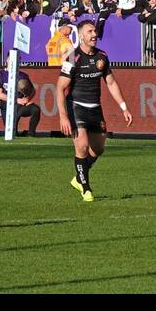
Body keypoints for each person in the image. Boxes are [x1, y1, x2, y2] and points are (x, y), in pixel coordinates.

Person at [55, 20, 132, 202]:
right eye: (90, 32)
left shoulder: (102, 57)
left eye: (95, 31)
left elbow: (111, 83)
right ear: (81, 36)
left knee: (97, 149)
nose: (94, 35)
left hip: (95, 109)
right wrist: (63, 116)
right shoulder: (73, 57)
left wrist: (124, 107)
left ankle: (78, 178)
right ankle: (86, 188)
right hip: (76, 107)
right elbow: (59, 88)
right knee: (81, 147)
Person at [0, 67, 41, 137]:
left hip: (20, 106)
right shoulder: (0, 75)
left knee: (35, 109)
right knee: (12, 134)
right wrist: (16, 100)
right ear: (7, 60)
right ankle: (18, 133)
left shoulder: (23, 75)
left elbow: (32, 90)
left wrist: (27, 99)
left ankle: (31, 134)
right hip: (6, 106)